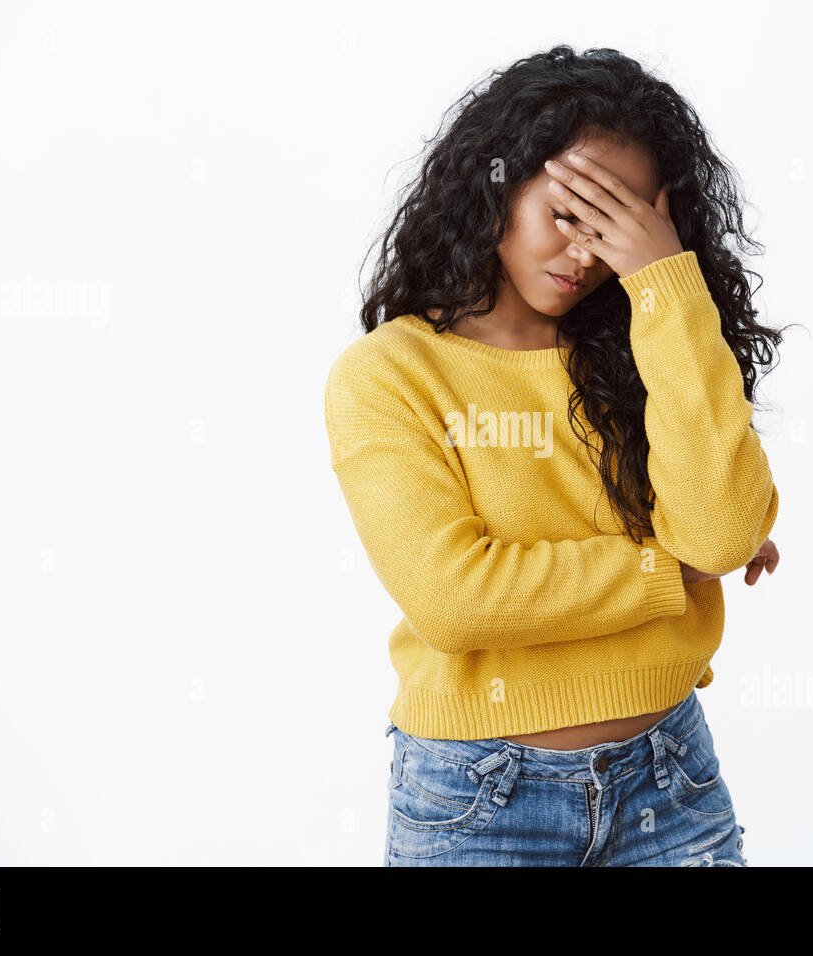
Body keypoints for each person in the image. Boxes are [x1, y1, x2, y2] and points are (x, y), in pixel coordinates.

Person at [324, 45, 789, 866]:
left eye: (621, 230)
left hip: (669, 778)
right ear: (497, 187)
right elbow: (455, 599)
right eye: (572, 214)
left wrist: (665, 285)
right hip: (479, 798)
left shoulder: (647, 342)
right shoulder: (390, 374)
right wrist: (661, 574)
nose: (586, 255)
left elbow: (718, 537)